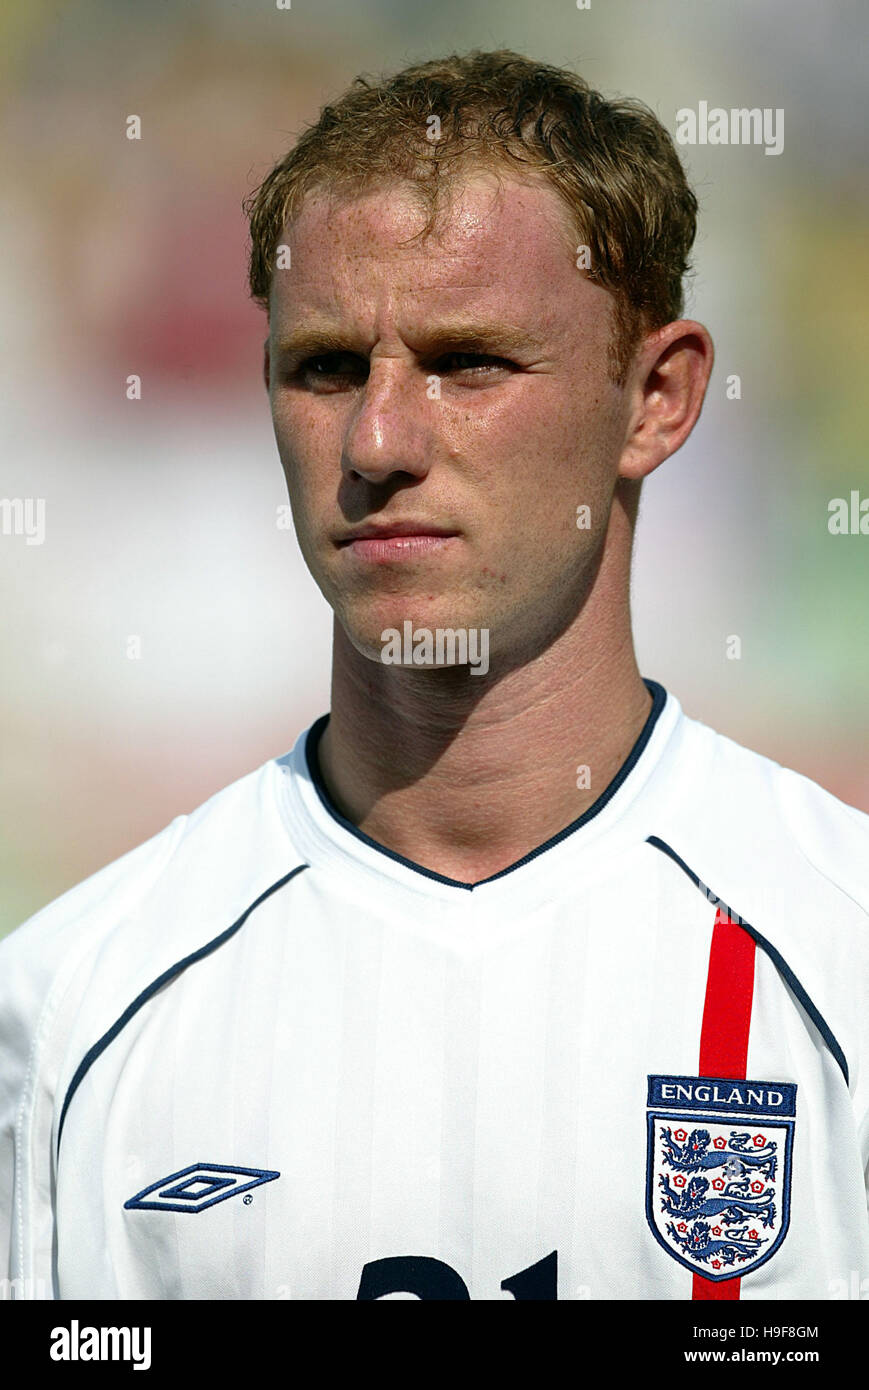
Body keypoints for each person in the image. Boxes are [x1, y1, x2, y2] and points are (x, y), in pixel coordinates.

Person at [1, 50, 867, 1303]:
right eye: (325, 367)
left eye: (468, 362)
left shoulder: (839, 953)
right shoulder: (72, 1006)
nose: (377, 442)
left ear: (656, 398)